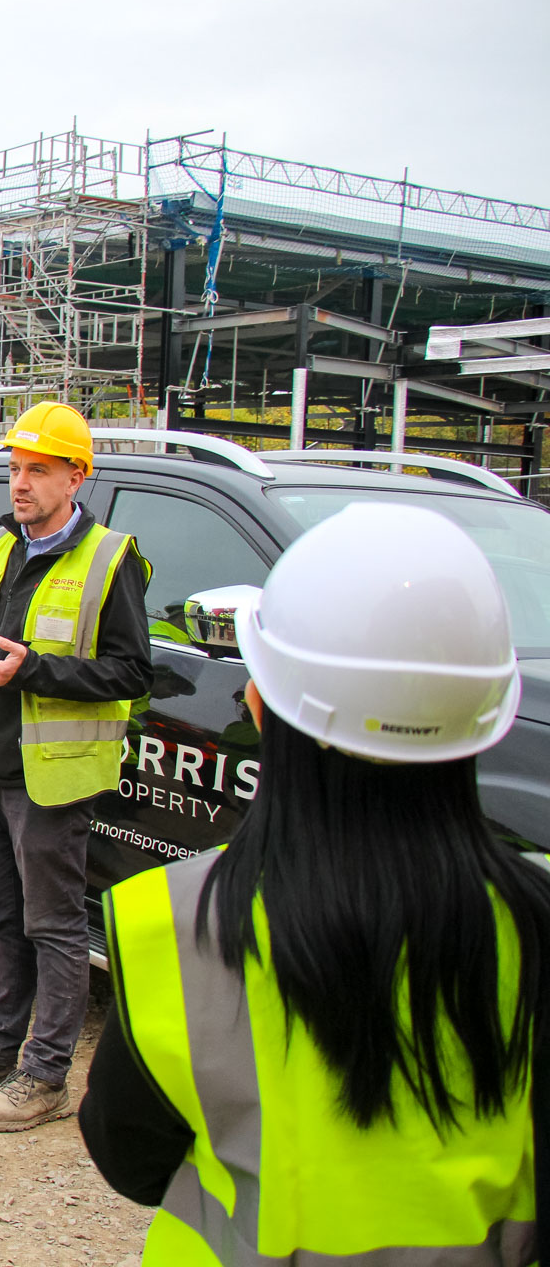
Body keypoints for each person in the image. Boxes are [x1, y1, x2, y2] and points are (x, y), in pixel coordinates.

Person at [81, 502, 548, 1262]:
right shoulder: (532, 929)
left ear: (260, 705)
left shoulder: (179, 928)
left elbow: (128, 1151)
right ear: (486, 715)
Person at [0, 400, 151, 1131]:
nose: (20, 484)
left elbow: (132, 673)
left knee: (54, 924)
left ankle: (45, 1077)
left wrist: (35, 671)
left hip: (48, 779)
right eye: (15, 469)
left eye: (38, 471)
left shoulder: (111, 559)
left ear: (76, 477)